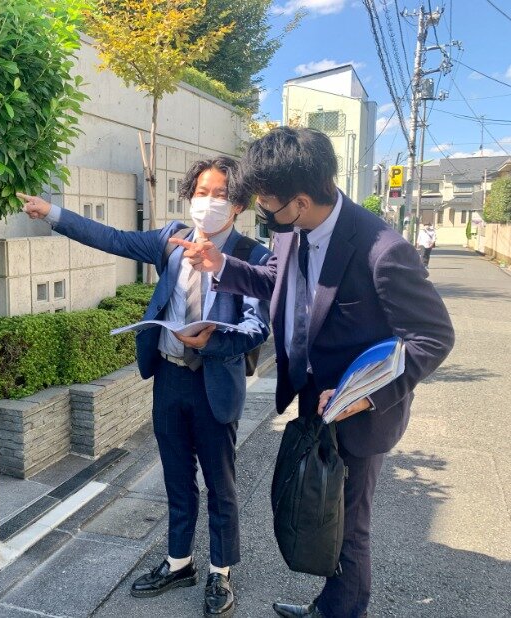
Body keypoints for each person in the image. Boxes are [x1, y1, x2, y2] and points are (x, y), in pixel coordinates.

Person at [173, 128, 454, 618]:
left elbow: (433, 336)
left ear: (300, 202)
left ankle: (341, 611)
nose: (263, 214)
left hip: (359, 410)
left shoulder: (381, 250)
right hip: (311, 398)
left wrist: (365, 395)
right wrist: (221, 264)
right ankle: (330, 603)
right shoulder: (292, 231)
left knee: (349, 526)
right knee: (321, 513)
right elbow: (275, 281)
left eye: (267, 205)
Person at [18, 156, 271, 618]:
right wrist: (51, 213)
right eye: (202, 192)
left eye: (220, 195)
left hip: (215, 380)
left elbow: (257, 328)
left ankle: (220, 571)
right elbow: (113, 239)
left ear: (238, 205)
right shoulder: (171, 239)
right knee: (176, 476)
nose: (208, 202)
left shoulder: (252, 257)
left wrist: (214, 341)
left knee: (221, 483)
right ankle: (179, 562)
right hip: (170, 376)